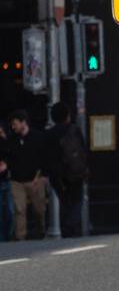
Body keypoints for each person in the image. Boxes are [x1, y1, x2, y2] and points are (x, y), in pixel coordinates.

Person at [45, 102, 88, 239]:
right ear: (67, 116)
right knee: (76, 200)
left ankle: (66, 226)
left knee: (64, 200)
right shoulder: (74, 130)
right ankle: (72, 226)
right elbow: (83, 150)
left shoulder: (49, 134)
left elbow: (46, 156)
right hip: (75, 172)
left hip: (57, 175)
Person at [7, 109, 48, 241]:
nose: (13, 127)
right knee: (19, 209)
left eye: (15, 124)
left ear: (23, 122)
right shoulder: (12, 140)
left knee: (39, 209)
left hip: (35, 179)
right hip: (16, 180)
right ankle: (21, 237)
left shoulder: (38, 137)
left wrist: (41, 176)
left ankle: (41, 231)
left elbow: (44, 158)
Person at [0, 120, 13, 242]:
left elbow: (11, 156)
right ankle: (3, 238)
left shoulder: (7, 141)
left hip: (7, 180)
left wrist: (6, 164)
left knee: (10, 212)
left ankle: (9, 236)